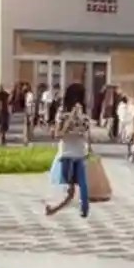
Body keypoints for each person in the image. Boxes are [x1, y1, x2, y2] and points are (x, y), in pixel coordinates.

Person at [46, 83, 92, 218]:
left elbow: (85, 130)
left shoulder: (80, 113)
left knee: (78, 184)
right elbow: (60, 133)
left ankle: (82, 208)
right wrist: (73, 115)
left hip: (75, 153)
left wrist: (77, 118)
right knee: (73, 187)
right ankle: (55, 209)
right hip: (70, 153)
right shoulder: (66, 112)